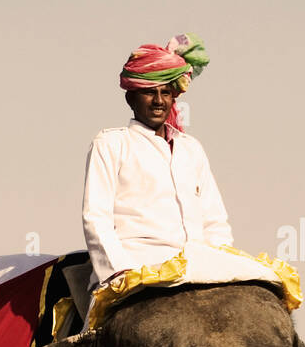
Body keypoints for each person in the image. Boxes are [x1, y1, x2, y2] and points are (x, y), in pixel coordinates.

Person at [82, 33, 231, 290]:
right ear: (131, 98)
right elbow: (96, 218)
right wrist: (122, 274)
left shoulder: (191, 149)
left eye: (166, 92)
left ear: (175, 98)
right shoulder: (111, 144)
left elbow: (214, 221)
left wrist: (223, 266)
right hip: (138, 267)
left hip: (198, 268)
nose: (159, 101)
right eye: (149, 93)